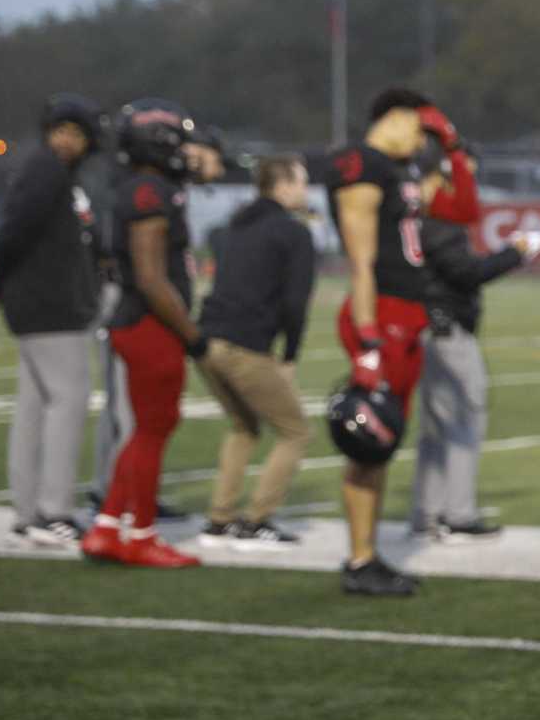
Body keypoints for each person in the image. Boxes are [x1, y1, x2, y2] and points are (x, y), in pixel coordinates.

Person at [326, 87, 468, 596]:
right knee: (370, 441)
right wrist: (367, 342)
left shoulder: (399, 171)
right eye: (418, 128)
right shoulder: (360, 163)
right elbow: (361, 260)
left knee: (382, 446)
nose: (420, 140)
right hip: (380, 315)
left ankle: (367, 555)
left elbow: (462, 207)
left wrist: (452, 150)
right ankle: (360, 560)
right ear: (396, 117)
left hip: (403, 319)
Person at [81, 99, 207, 568]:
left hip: (139, 322)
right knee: (153, 430)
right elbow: (153, 278)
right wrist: (192, 335)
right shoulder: (149, 192)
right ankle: (142, 533)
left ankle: (108, 526)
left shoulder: (142, 187)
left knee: (146, 431)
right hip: (150, 323)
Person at [0, 95, 102, 547]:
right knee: (68, 401)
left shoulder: (45, 170)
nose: (68, 140)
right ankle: (54, 512)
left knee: (33, 405)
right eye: (61, 131)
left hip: (35, 303)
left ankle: (28, 511)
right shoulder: (48, 171)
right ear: (49, 132)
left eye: (77, 134)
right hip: (50, 306)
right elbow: (12, 233)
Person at [410, 146, 540, 540]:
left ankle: (427, 513)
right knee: (467, 418)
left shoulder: (419, 215)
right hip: (446, 328)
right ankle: (458, 514)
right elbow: (466, 273)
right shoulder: (438, 217)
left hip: (428, 325)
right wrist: (515, 254)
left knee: (436, 425)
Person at [192, 153, 316, 549]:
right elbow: (295, 303)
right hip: (244, 345)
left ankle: (219, 520)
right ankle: (256, 521)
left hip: (206, 342)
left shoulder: (235, 226)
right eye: (300, 182)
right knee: (295, 431)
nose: (305, 189)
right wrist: (290, 355)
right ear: (281, 187)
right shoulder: (293, 233)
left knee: (244, 427)